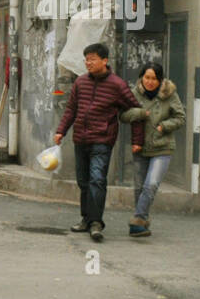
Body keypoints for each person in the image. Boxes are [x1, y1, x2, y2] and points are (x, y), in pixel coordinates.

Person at [53, 42, 141, 242]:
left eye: (92, 59)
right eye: (86, 59)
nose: (88, 63)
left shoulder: (117, 85)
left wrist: (137, 140)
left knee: (97, 181)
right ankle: (85, 219)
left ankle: (96, 223)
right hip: (80, 139)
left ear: (105, 61)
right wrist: (61, 131)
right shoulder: (81, 83)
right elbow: (71, 109)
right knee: (83, 182)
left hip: (102, 140)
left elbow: (136, 111)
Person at [119, 61, 185, 237]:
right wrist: (140, 113)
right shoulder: (135, 94)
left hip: (162, 147)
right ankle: (142, 222)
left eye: (154, 78)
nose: (149, 82)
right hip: (140, 147)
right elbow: (123, 115)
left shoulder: (169, 94)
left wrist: (164, 126)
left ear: (160, 80)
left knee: (151, 184)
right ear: (142, 78)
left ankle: (138, 219)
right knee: (139, 188)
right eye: (147, 77)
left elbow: (180, 117)